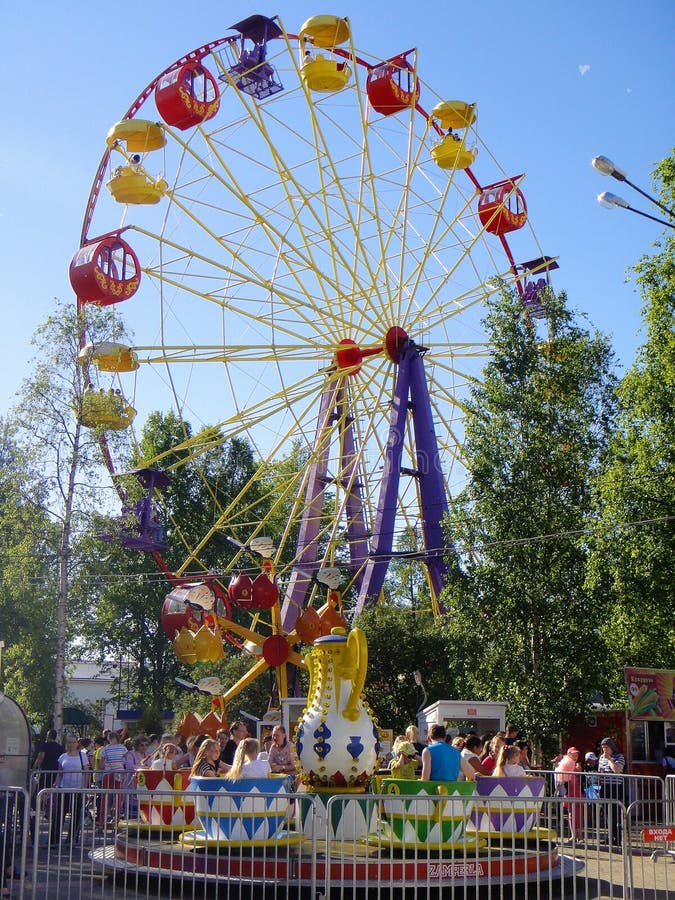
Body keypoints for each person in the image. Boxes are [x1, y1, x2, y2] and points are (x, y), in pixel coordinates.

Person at [52, 734, 90, 844]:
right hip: (64, 789)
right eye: (69, 742)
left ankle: (72, 839)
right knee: (59, 814)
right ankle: (54, 840)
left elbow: (86, 773)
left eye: (73, 742)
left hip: (78, 789)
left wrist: (85, 788)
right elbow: (59, 774)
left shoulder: (82, 756)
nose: (71, 744)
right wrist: (56, 785)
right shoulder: (63, 756)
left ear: (77, 743)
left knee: (76, 815)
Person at [598, 737, 625, 846]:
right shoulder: (601, 757)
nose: (604, 750)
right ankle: (609, 836)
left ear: (612, 747)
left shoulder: (619, 757)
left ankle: (617, 838)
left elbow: (617, 770)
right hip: (605, 786)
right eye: (603, 747)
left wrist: (609, 759)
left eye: (607, 747)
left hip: (615, 787)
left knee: (615, 813)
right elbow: (600, 771)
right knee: (607, 813)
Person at [97, 731, 128, 827]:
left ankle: (102, 821)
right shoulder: (123, 748)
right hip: (119, 773)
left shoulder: (105, 749)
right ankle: (117, 821)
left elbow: (101, 765)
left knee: (105, 798)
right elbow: (126, 760)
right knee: (118, 798)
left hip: (108, 773)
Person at [555, 747, 583, 842]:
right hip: (569, 792)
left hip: (578, 792)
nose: (575, 756)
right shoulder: (566, 764)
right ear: (568, 754)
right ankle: (573, 835)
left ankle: (580, 835)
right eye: (573, 754)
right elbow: (560, 779)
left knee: (578, 814)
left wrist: (580, 771)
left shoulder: (577, 766)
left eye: (577, 754)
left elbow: (581, 778)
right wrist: (557, 791)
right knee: (571, 814)